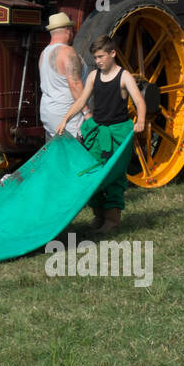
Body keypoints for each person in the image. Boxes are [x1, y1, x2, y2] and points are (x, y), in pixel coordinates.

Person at [56, 34, 146, 234]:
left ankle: (112, 220)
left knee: (114, 177)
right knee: (92, 173)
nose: (98, 61)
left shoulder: (124, 76)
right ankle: (99, 215)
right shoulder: (94, 76)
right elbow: (81, 101)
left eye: (101, 56)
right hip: (97, 132)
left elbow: (139, 100)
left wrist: (140, 120)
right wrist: (66, 119)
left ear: (112, 53)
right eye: (95, 58)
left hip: (117, 134)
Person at [38, 12, 88, 140]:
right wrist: (87, 113)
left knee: (57, 156)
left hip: (49, 116)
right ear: (68, 30)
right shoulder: (67, 52)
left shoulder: (43, 53)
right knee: (75, 157)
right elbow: (75, 85)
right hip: (68, 119)